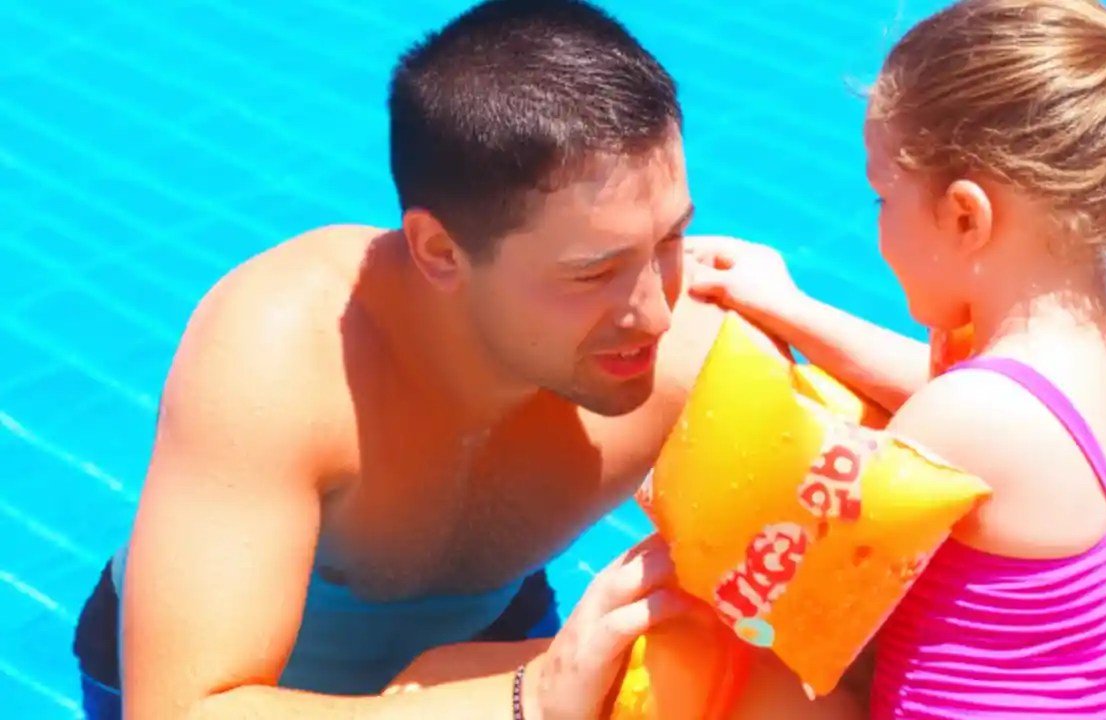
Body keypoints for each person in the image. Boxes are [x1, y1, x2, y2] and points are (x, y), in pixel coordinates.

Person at [69, 1, 772, 717]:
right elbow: (180, 711)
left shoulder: (702, 356)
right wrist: (535, 695)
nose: (655, 312)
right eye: (594, 273)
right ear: (440, 252)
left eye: (669, 241)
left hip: (485, 640)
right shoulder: (286, 355)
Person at [681, 0, 1106, 717]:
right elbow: (942, 390)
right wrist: (790, 307)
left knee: (722, 651)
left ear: (965, 216)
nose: (877, 221)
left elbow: (780, 587)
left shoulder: (964, 422)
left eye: (882, 195)